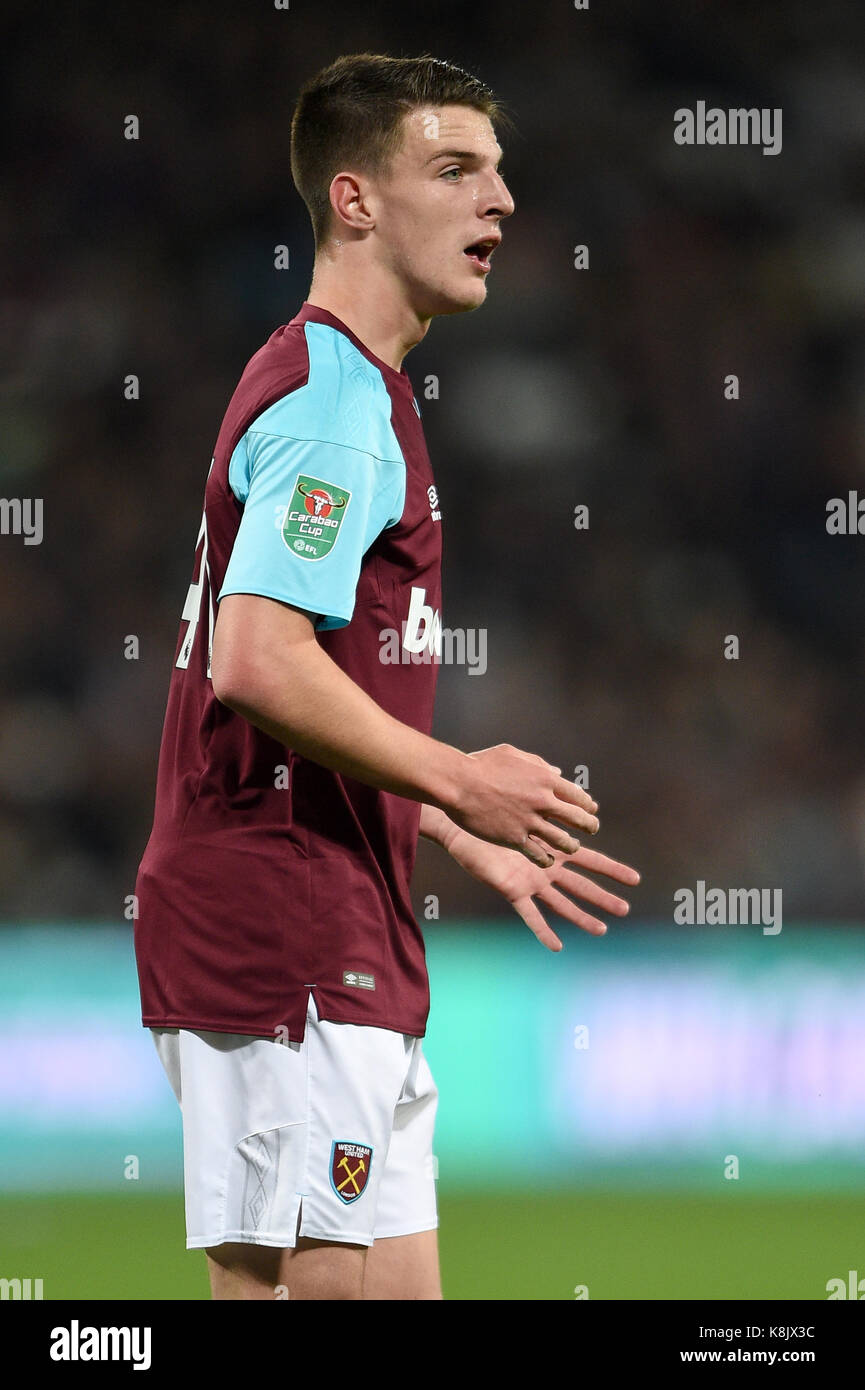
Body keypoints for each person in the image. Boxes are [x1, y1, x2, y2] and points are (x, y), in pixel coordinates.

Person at [134, 51, 640, 1302]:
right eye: (456, 169)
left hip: (341, 916)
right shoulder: (331, 403)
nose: (501, 202)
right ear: (353, 200)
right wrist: (458, 782)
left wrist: (423, 815)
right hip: (286, 927)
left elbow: (301, 670)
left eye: (501, 172)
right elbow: (255, 659)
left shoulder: (359, 394)